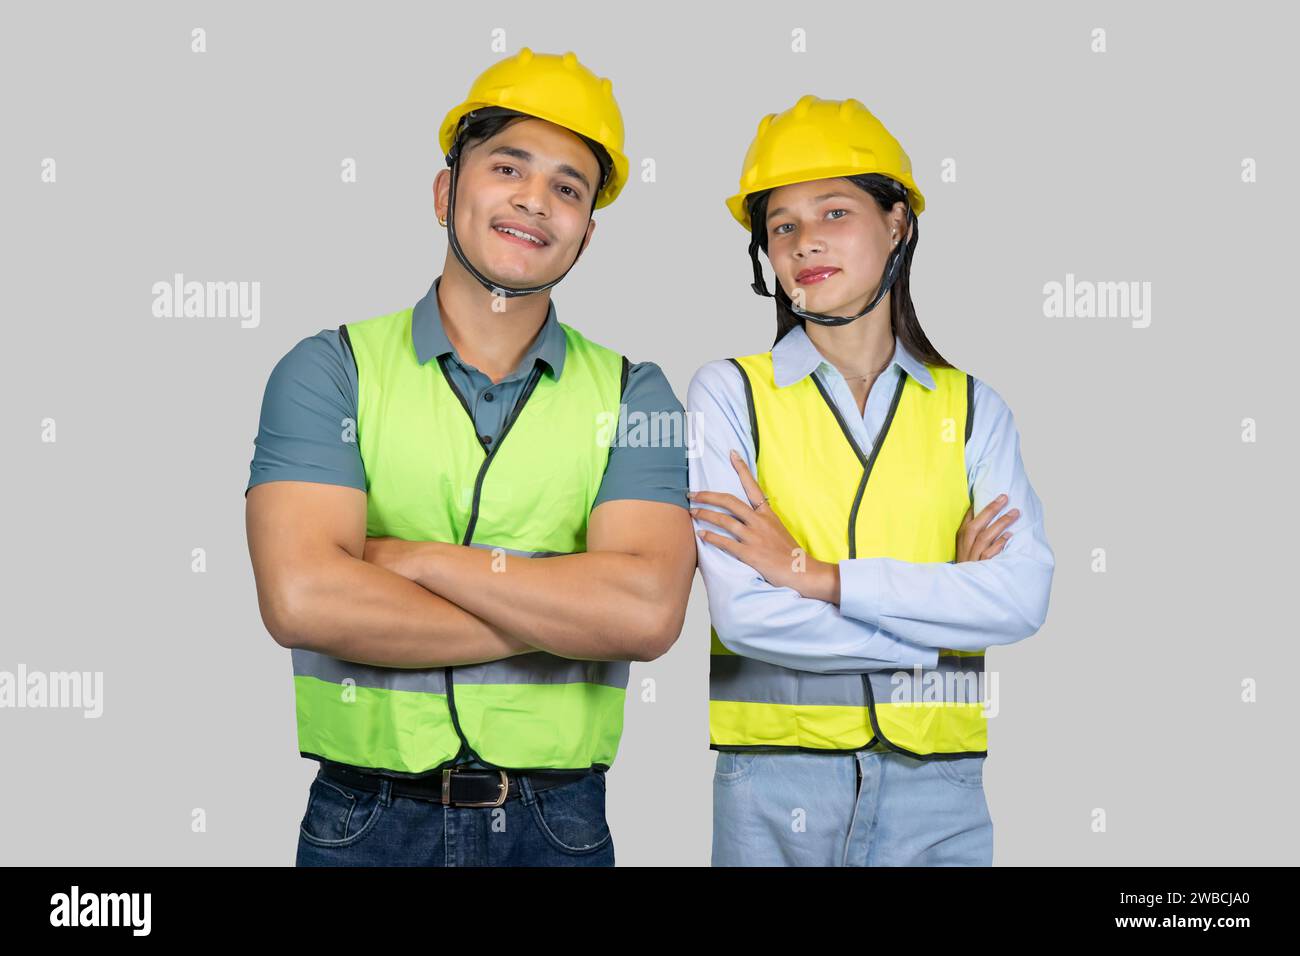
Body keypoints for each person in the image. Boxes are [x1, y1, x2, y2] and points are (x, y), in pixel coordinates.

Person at [245, 48, 695, 867]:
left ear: (586, 234)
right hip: (363, 820)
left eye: (568, 187)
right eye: (509, 167)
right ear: (447, 191)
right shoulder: (329, 369)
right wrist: (563, 617)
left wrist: (407, 560)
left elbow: (644, 614)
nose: (535, 200)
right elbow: (305, 599)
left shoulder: (639, 396)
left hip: (559, 826)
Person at [688, 95, 1055, 866]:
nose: (802, 243)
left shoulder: (973, 406)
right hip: (773, 788)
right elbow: (748, 618)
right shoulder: (728, 393)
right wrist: (948, 607)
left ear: (897, 225)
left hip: (943, 790)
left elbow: (1021, 600)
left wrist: (814, 576)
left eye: (832, 213)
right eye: (781, 225)